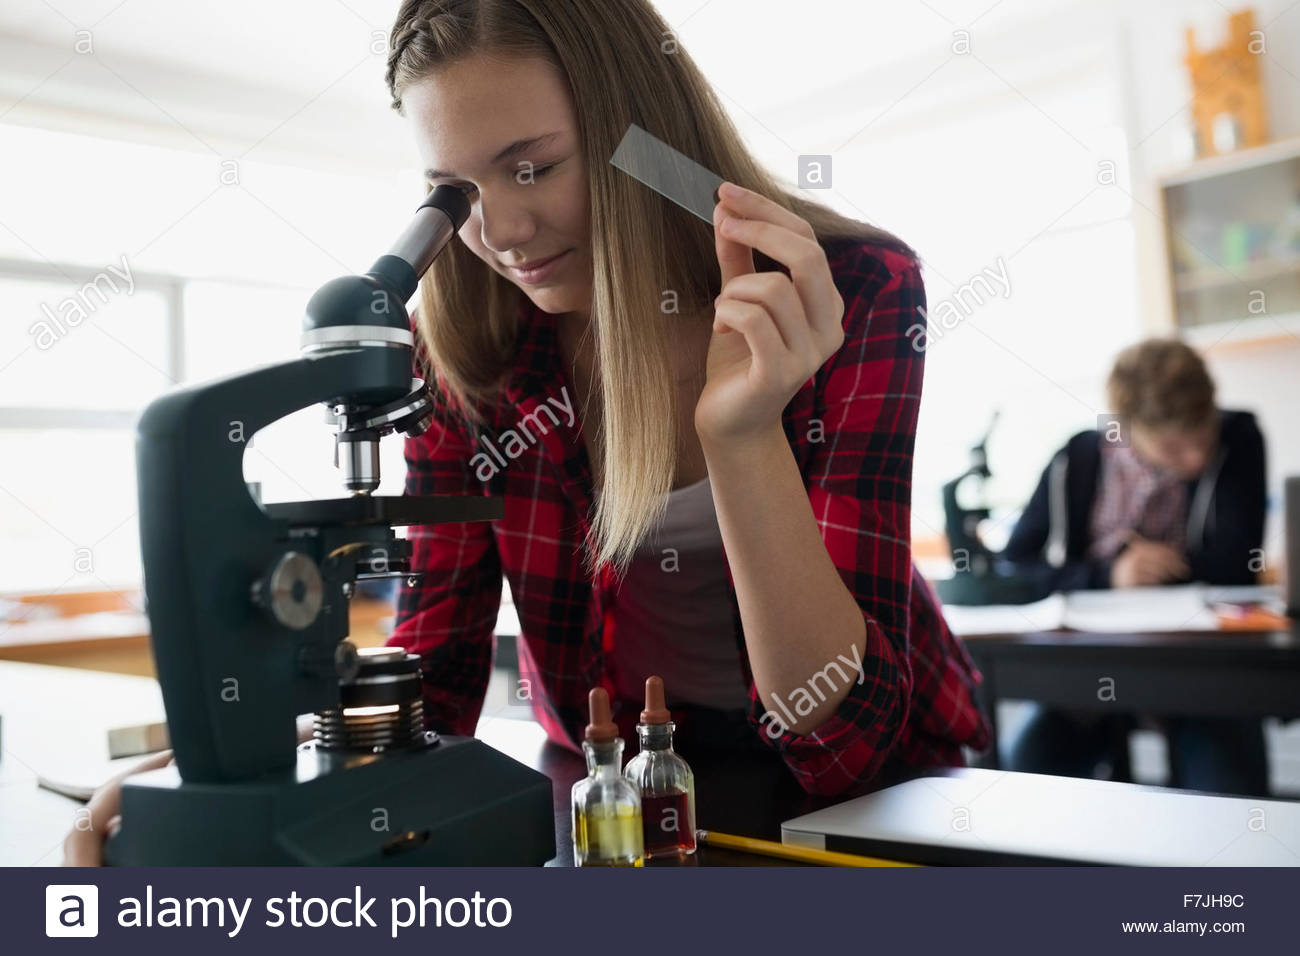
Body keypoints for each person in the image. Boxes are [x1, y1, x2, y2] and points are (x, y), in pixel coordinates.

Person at [65, 0, 991, 863]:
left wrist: (743, 436)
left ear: (643, 142)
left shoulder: (851, 288)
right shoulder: (464, 349)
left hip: (886, 795)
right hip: (615, 787)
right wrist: (241, 775)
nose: (502, 231)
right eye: (455, 190)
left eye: (534, 166)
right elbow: (439, 671)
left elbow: (844, 748)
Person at [1000, 338, 1270, 796]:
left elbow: (1239, 566)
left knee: (1230, 797)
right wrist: (1111, 576)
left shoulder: (1239, 438)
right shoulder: (1077, 459)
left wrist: (1164, 570)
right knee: (1025, 770)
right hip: (1088, 676)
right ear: (1124, 430)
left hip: (1203, 676)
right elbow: (1015, 568)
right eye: (1173, 446)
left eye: (1202, 434)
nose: (1197, 458)